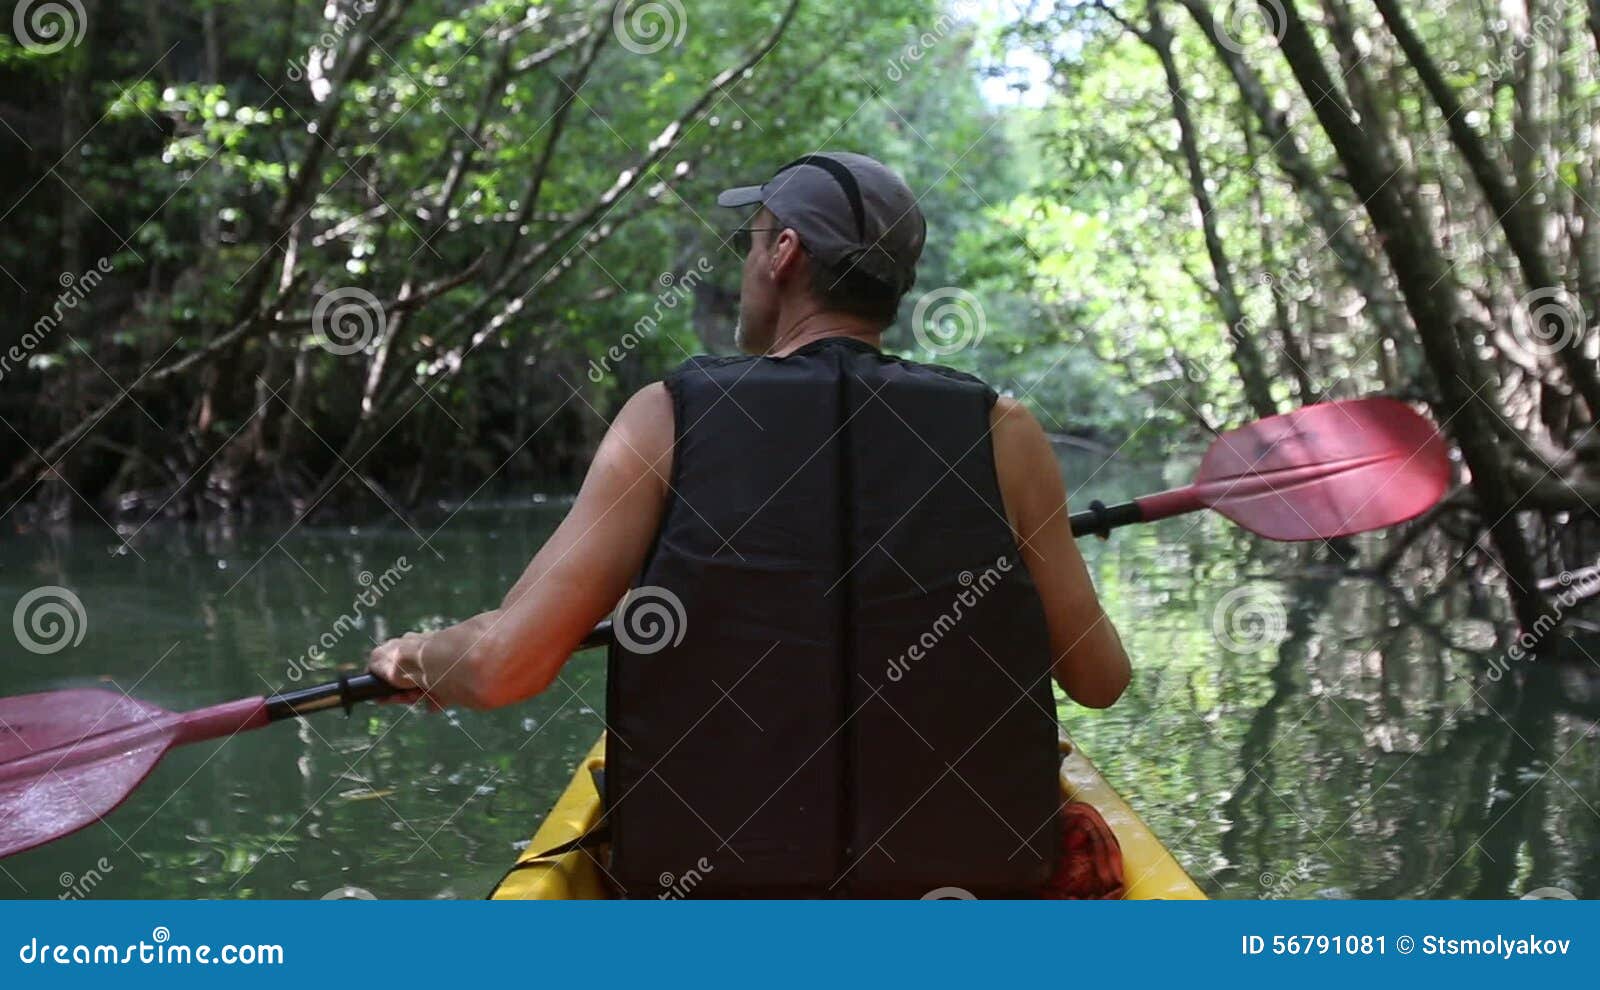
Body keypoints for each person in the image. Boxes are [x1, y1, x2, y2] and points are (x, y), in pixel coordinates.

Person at [370, 152, 1131, 897]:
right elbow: (1100, 680)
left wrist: (413, 657)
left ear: (784, 254)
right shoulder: (1003, 429)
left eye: (750, 241)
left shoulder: (667, 417)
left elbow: (506, 665)